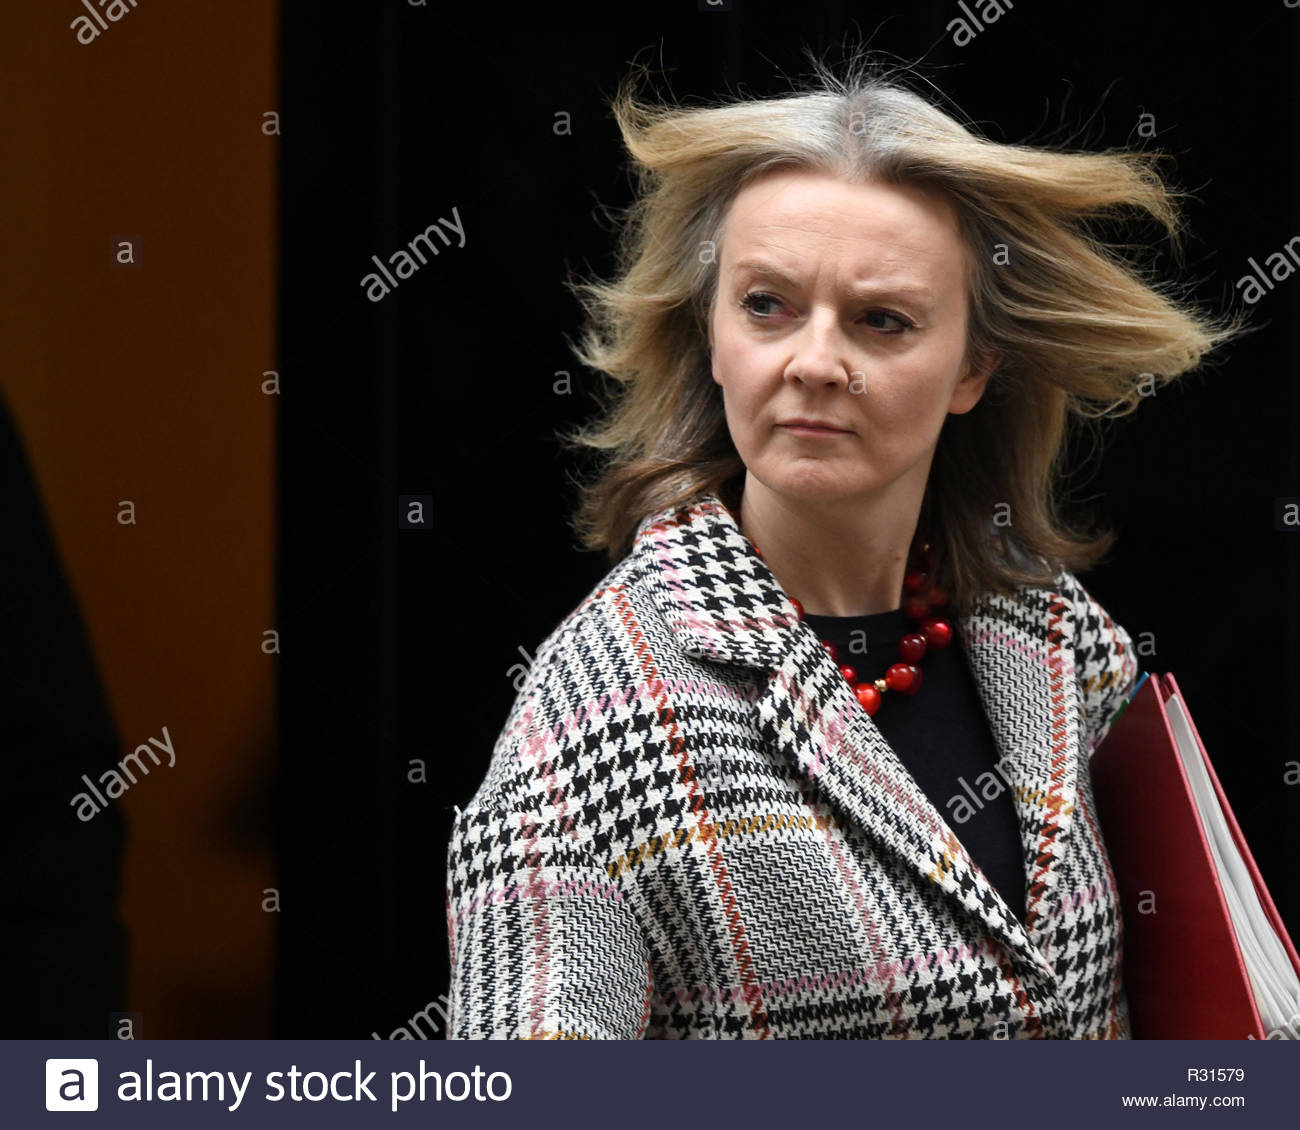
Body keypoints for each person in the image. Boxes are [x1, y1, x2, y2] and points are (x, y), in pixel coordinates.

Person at [443, 55, 1246, 1039]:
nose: (814, 361)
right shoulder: (589, 723)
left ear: (972, 367)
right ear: (709, 333)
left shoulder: (1059, 641)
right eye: (766, 305)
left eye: (881, 320)